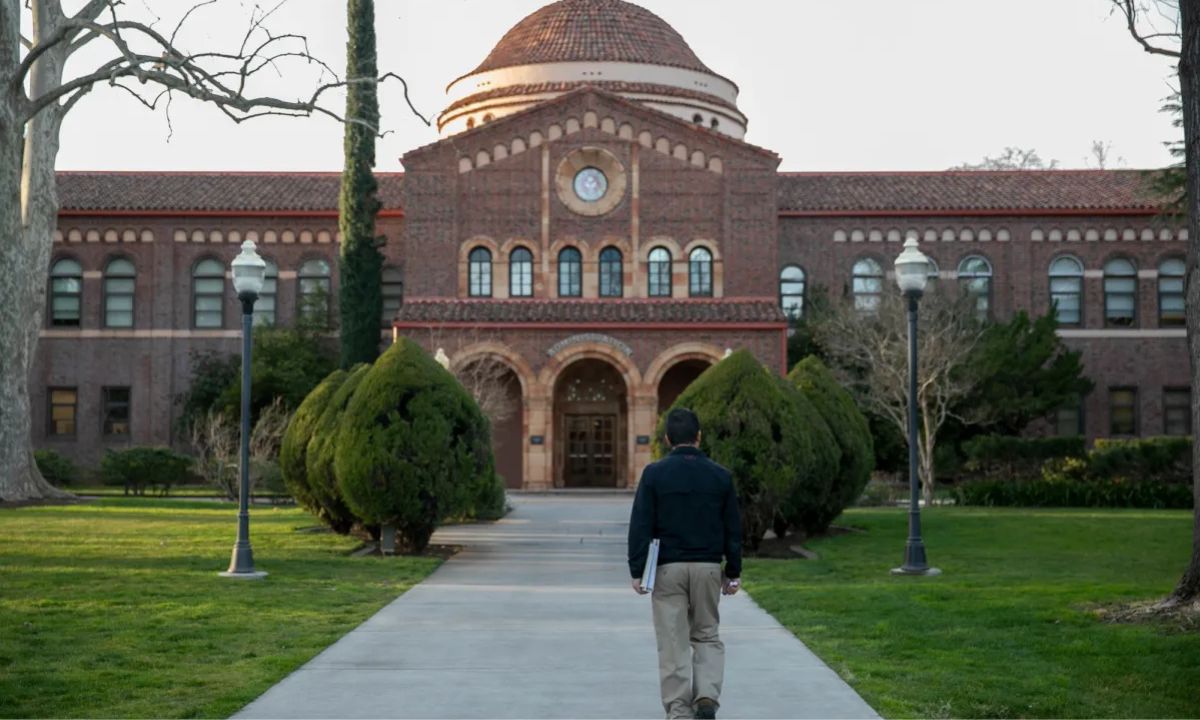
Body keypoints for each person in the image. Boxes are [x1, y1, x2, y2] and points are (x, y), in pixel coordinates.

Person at [628, 407, 742, 720]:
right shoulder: (720, 476)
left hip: (667, 569)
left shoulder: (654, 474)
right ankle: (706, 697)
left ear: (667, 439)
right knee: (706, 634)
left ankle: (679, 710)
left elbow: (641, 523)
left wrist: (637, 570)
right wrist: (733, 572)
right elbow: (733, 528)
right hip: (707, 567)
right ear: (699, 436)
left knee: (673, 640)